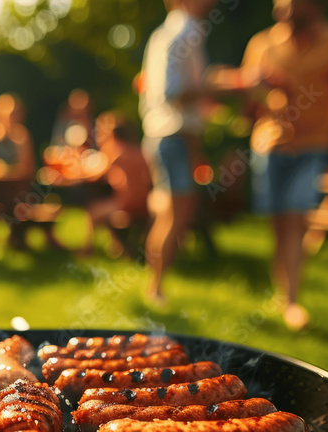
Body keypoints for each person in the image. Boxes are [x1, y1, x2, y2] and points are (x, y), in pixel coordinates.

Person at [240, 0, 328, 329]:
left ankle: (292, 300)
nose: (282, 10)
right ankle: (284, 292)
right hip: (269, 142)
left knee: (295, 218)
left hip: (314, 144)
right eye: (280, 4)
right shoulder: (262, 43)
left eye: (291, 4)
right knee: (278, 222)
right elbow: (250, 98)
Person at [139, 0, 218, 304]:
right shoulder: (181, 33)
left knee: (173, 211)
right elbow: (172, 91)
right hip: (173, 136)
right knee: (174, 213)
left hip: (171, 136)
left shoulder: (174, 33)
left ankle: (157, 285)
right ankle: (155, 287)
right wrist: (219, 86)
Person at [88, 111, 154, 255]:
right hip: (146, 203)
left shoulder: (115, 152)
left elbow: (95, 176)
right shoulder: (140, 150)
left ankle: (87, 250)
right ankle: (119, 246)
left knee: (93, 212)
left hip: (126, 204)